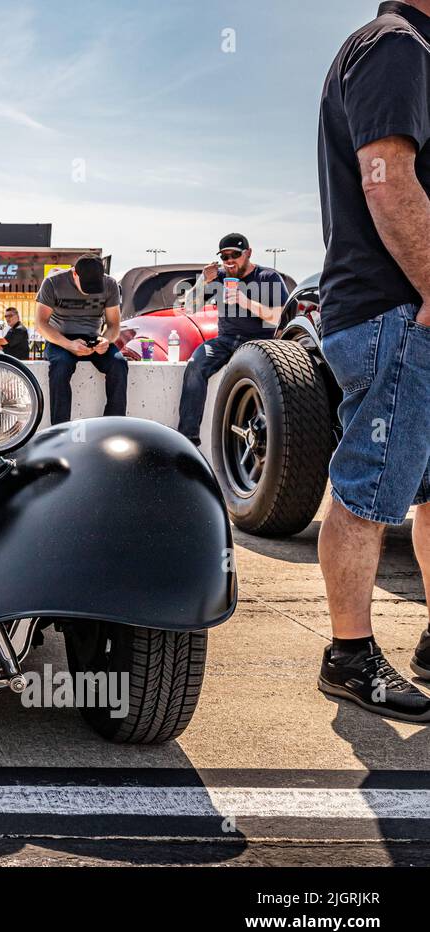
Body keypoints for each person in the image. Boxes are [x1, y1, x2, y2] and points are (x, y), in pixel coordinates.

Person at [315, 0, 430, 722]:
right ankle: (349, 656)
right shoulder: (399, 46)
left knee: (424, 491)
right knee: (368, 491)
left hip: (405, 311)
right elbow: (386, 179)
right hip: (397, 311)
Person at [176, 234, 290, 444]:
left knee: (255, 384)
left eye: (235, 255)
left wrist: (245, 301)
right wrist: (203, 281)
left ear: (248, 253)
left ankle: (259, 440)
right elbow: (189, 308)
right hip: (225, 340)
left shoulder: (267, 277)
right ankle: (188, 439)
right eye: (224, 256)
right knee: (195, 365)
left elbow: (280, 316)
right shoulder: (218, 278)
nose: (229, 261)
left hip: (258, 341)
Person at [34, 255, 127, 424]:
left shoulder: (110, 284)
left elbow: (114, 326)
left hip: (93, 338)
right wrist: (69, 344)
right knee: (61, 365)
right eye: (86, 286)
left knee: (119, 364)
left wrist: (105, 340)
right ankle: (60, 428)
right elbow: (40, 324)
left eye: (94, 286)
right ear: (74, 274)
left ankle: (114, 423)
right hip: (60, 339)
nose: (90, 291)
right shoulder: (53, 282)